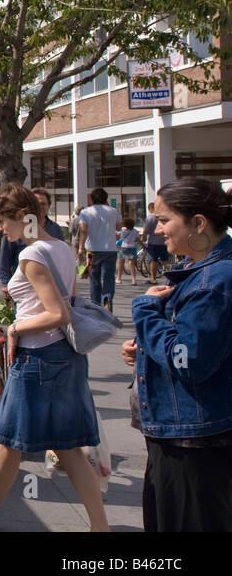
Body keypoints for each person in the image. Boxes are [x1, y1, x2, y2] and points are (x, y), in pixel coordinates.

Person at [0, 184, 109, 532]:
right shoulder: (60, 248)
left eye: (1, 221)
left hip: (39, 356)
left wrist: (16, 328)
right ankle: (99, 526)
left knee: (10, 437)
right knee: (65, 446)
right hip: (64, 356)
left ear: (23, 218)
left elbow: (58, 313)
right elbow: (65, 305)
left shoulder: (33, 255)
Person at [126, 178, 232, 532]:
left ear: (198, 223)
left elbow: (188, 360)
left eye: (164, 219)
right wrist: (145, 349)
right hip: (183, 435)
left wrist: (145, 313)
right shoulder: (200, 273)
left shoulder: (212, 282)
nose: (155, 228)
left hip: (195, 443)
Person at [0, 187, 65, 297]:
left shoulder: (55, 229)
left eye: (43, 203)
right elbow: (5, 258)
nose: (40, 207)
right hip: (23, 288)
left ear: (49, 206)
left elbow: (61, 258)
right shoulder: (15, 230)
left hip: (50, 285)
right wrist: (5, 284)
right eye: (37, 203)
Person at [75, 188, 121, 311]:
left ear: (91, 198)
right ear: (105, 198)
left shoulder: (85, 212)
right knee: (109, 277)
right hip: (110, 249)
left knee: (94, 278)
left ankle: (95, 305)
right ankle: (107, 300)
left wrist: (80, 248)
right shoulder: (114, 211)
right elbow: (118, 230)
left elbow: (84, 230)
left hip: (92, 249)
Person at [140, 202, 170, 281]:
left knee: (153, 260)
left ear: (150, 209)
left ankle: (153, 278)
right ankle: (171, 277)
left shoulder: (150, 218)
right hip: (164, 241)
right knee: (165, 260)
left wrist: (142, 241)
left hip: (153, 242)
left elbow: (145, 231)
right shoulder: (163, 216)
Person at [116, 217, 140, 286]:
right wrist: (143, 246)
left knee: (121, 263)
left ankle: (118, 278)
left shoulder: (123, 230)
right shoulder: (135, 231)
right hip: (132, 248)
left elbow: (117, 233)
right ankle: (133, 280)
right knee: (131, 264)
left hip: (124, 247)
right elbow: (138, 239)